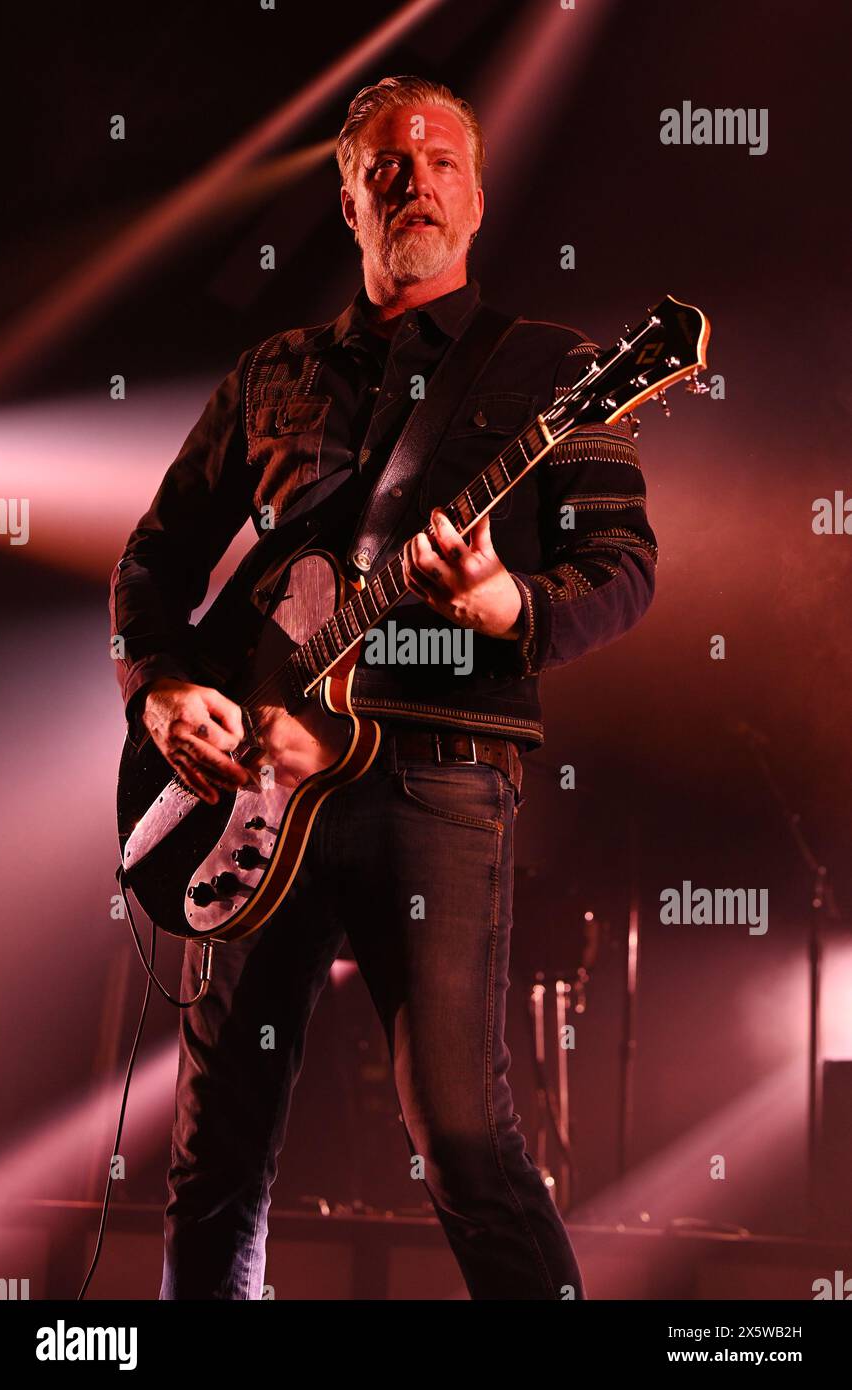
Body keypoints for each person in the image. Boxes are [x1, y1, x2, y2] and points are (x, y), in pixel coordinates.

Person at [109, 75, 657, 1300]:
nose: (413, 178)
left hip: (436, 787)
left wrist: (503, 602)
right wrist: (162, 691)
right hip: (255, 789)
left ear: (477, 196)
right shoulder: (271, 373)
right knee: (217, 1147)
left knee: (463, 1139)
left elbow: (623, 571)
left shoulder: (558, 372)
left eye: (440, 161)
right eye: (384, 164)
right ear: (346, 198)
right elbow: (154, 556)